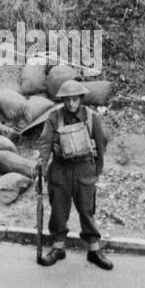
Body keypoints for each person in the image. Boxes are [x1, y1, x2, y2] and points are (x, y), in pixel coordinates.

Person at [36, 79, 112, 269]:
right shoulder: (54, 117)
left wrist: (98, 169)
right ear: (63, 100)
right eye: (67, 100)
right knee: (59, 210)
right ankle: (58, 247)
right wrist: (42, 169)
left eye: (75, 99)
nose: (71, 104)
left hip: (84, 169)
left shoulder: (91, 117)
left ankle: (94, 250)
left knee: (87, 210)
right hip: (60, 170)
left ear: (81, 98)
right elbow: (45, 144)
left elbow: (101, 144)